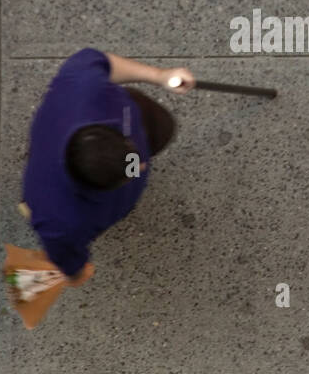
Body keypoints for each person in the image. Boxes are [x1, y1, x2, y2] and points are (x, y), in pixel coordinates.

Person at [19, 49, 194, 287]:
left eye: (134, 156)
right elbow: (67, 260)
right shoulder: (58, 221)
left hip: (124, 116)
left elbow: (103, 61)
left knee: (164, 127)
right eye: (134, 169)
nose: (142, 165)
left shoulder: (84, 86)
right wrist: (76, 273)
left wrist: (161, 76)